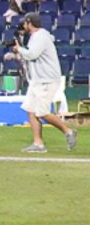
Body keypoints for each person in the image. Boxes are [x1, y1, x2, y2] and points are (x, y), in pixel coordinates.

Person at [10, 13, 77, 153]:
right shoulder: (35, 37)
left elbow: (32, 54)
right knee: (31, 110)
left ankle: (68, 131)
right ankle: (38, 144)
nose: (23, 25)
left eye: (25, 22)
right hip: (37, 80)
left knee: (42, 112)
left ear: (30, 23)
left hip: (46, 80)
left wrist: (19, 49)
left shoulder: (40, 36)